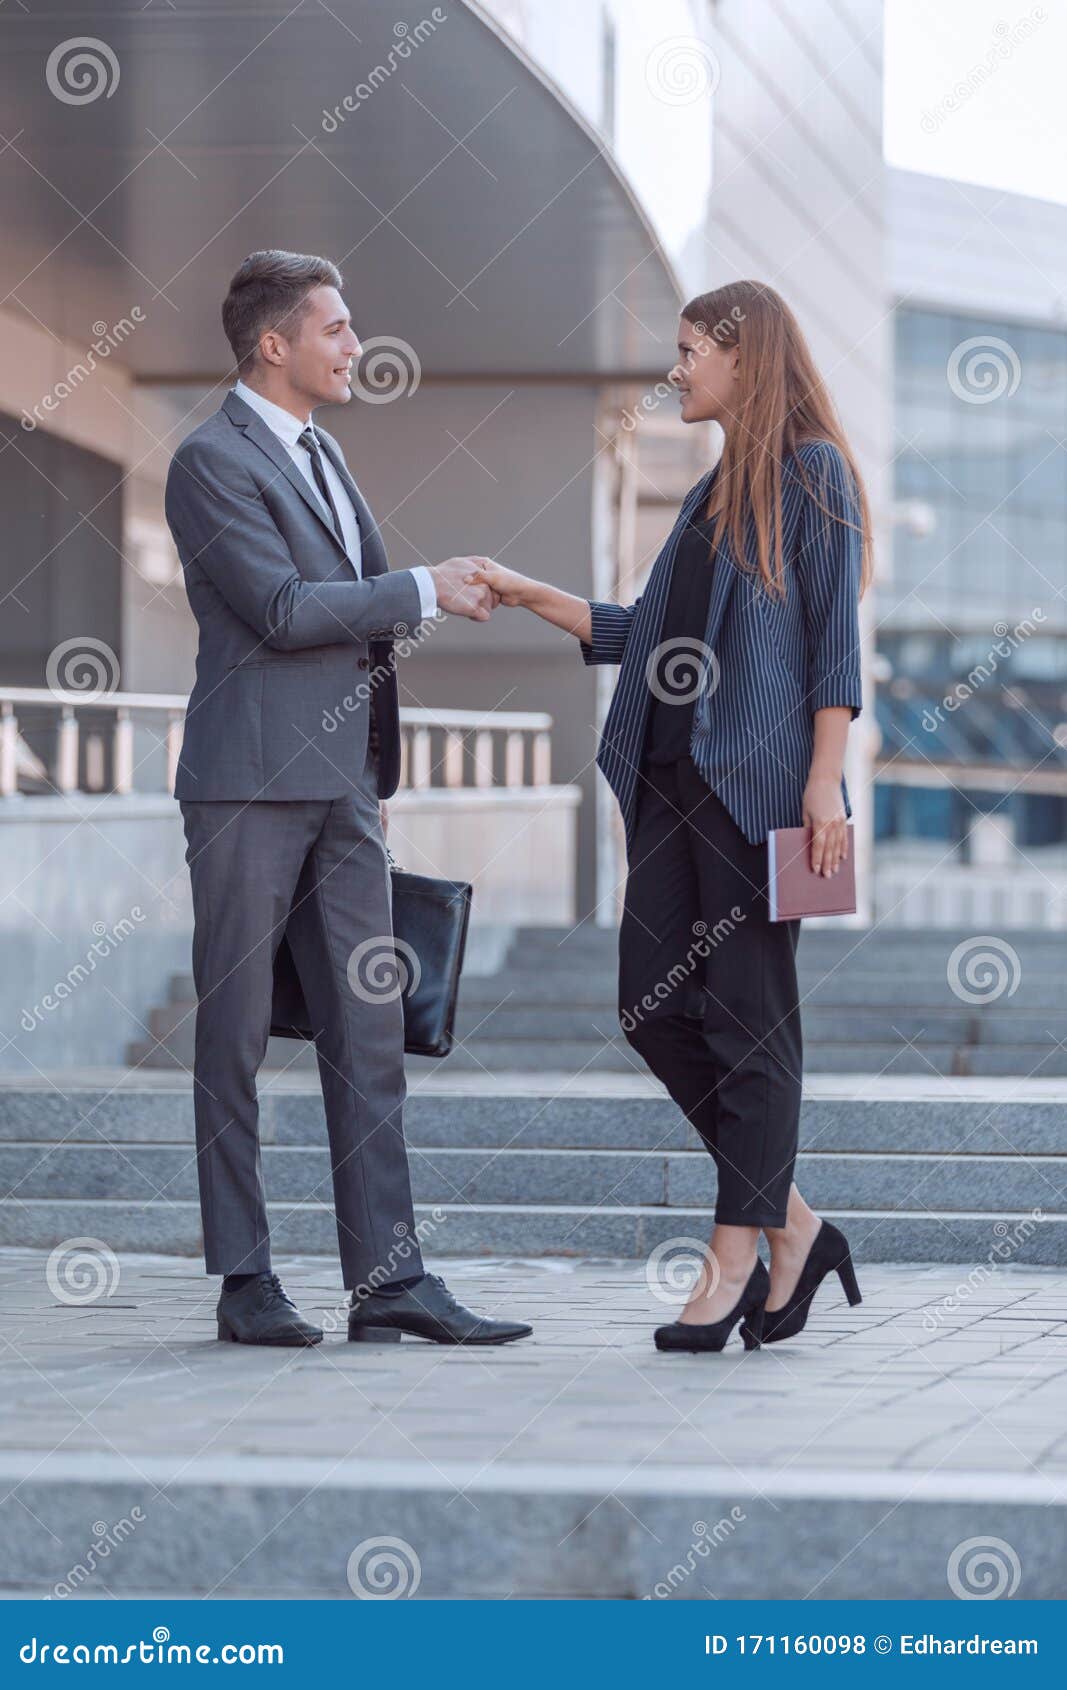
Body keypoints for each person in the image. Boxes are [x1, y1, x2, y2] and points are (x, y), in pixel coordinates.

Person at [468, 280, 871, 1353]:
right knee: (649, 1008)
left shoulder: (811, 473)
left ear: (745, 358)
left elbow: (831, 643)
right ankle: (794, 1225)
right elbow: (642, 633)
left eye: (691, 350)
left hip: (754, 786)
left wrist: (823, 780)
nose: (676, 367)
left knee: (749, 1018)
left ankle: (732, 1257)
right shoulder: (707, 494)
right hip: (665, 783)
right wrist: (527, 592)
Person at [164, 248, 530, 1349]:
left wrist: (372, 760)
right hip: (247, 785)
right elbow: (280, 609)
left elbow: (346, 609)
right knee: (234, 1033)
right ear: (273, 343)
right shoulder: (209, 460)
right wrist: (423, 587)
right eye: (335, 327)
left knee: (370, 1033)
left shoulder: (323, 453)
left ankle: (389, 1280)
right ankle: (245, 1280)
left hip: (343, 789)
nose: (355, 345)